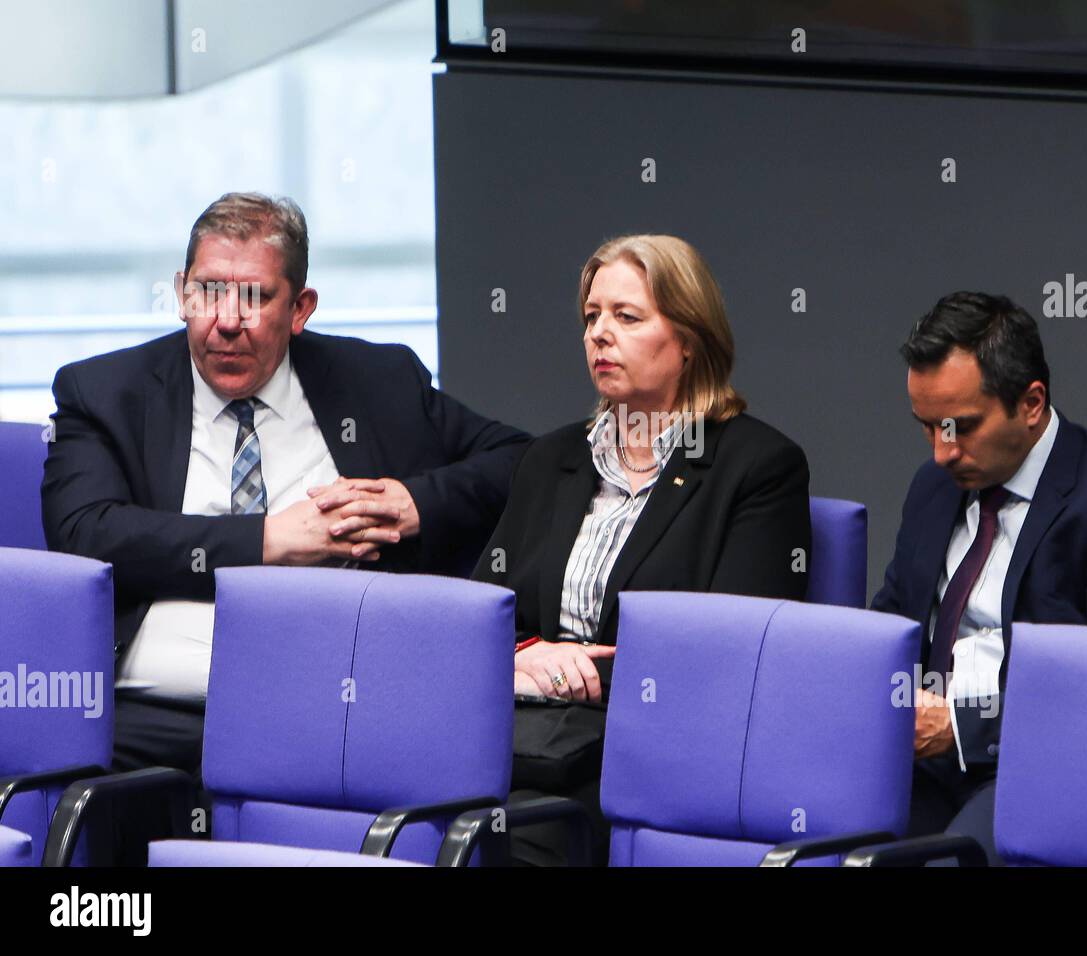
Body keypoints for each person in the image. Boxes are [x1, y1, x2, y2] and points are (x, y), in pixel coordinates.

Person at [42, 192, 529, 778]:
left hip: (338, 704)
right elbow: (84, 532)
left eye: (253, 296)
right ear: (180, 294)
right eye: (208, 291)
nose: (226, 320)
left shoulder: (377, 383)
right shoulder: (107, 392)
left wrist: (413, 503)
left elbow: (518, 459)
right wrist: (269, 540)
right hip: (158, 712)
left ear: (300, 308)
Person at [474, 234, 811, 865]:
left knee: (505, 842)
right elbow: (476, 617)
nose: (600, 334)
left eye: (627, 317)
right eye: (591, 317)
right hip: (521, 740)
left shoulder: (759, 467)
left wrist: (582, 672)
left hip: (651, 749)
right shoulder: (551, 460)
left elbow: (734, 653)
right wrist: (527, 653)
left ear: (689, 340)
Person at [872, 291, 1087, 864]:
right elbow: (890, 620)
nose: (942, 452)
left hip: (1037, 768)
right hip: (919, 757)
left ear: (1031, 403)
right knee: (814, 840)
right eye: (927, 427)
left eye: (960, 427)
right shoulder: (934, 488)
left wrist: (961, 727)